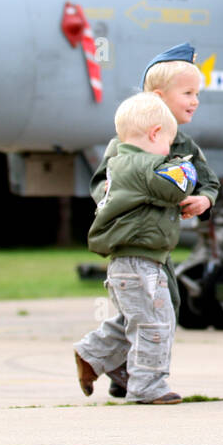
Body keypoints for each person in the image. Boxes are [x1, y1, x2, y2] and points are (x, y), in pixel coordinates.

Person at [89, 42, 220, 398]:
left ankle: (115, 366)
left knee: (159, 309)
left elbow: (208, 180)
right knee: (151, 314)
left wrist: (203, 200)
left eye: (197, 93)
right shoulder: (124, 143)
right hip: (135, 242)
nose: (195, 101)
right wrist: (124, 201)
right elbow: (102, 183)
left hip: (159, 244)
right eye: (188, 93)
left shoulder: (184, 143)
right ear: (160, 97)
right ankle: (130, 374)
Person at [74, 92, 197, 404]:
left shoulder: (121, 165)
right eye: (168, 144)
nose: (169, 151)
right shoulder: (142, 165)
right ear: (155, 134)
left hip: (133, 263)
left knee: (139, 319)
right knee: (155, 325)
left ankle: (93, 352)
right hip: (140, 264)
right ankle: (147, 386)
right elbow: (176, 183)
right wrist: (188, 168)